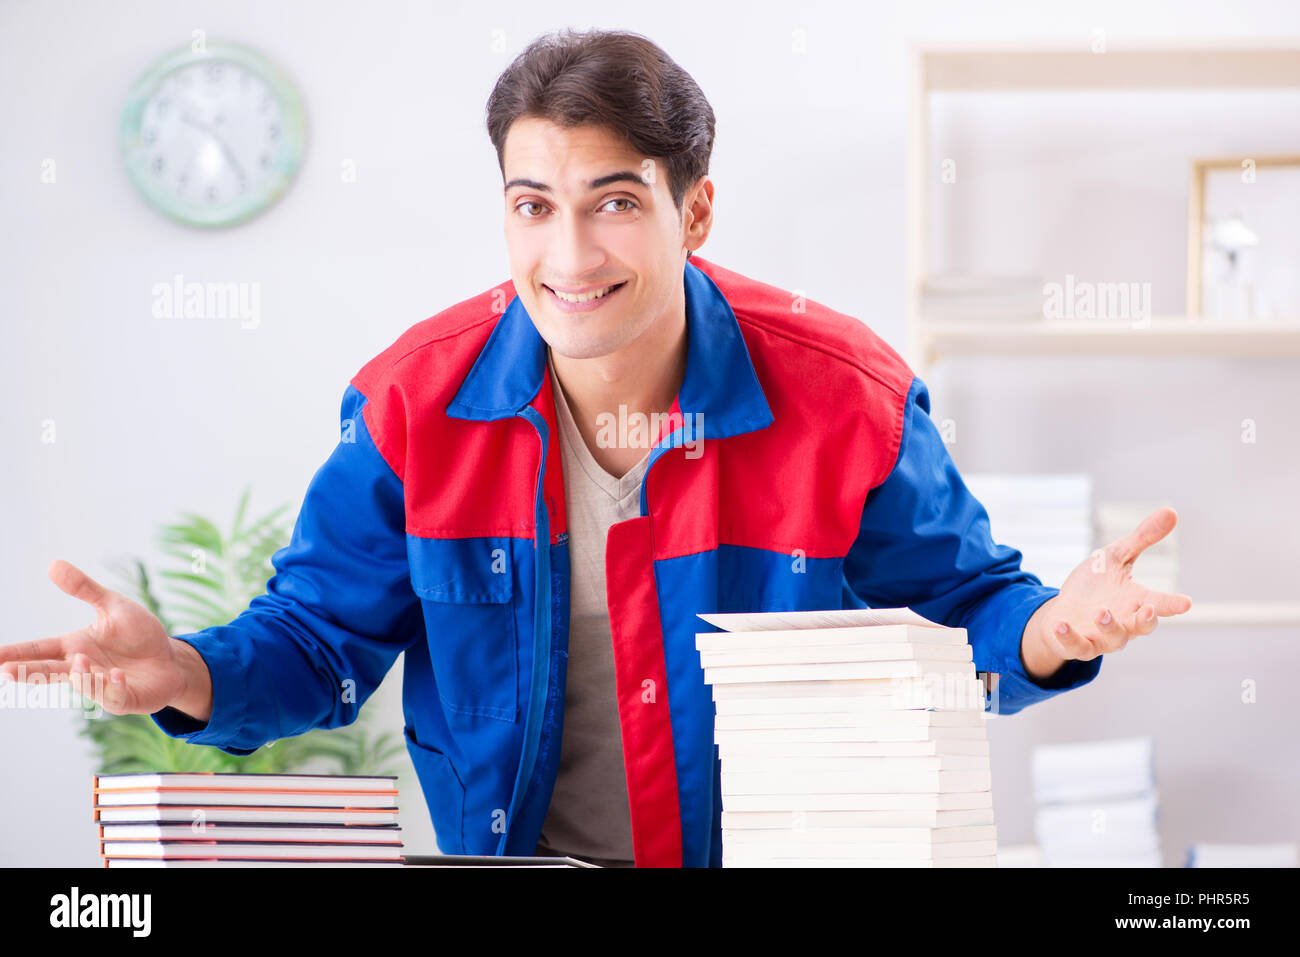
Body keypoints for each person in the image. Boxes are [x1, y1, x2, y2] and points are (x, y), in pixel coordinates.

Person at [1, 28, 1192, 868]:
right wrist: (184, 676)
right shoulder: (415, 408)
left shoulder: (845, 399)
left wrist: (1051, 630)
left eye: (615, 200)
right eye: (533, 204)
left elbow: (966, 611)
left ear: (696, 210)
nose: (568, 254)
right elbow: (317, 644)